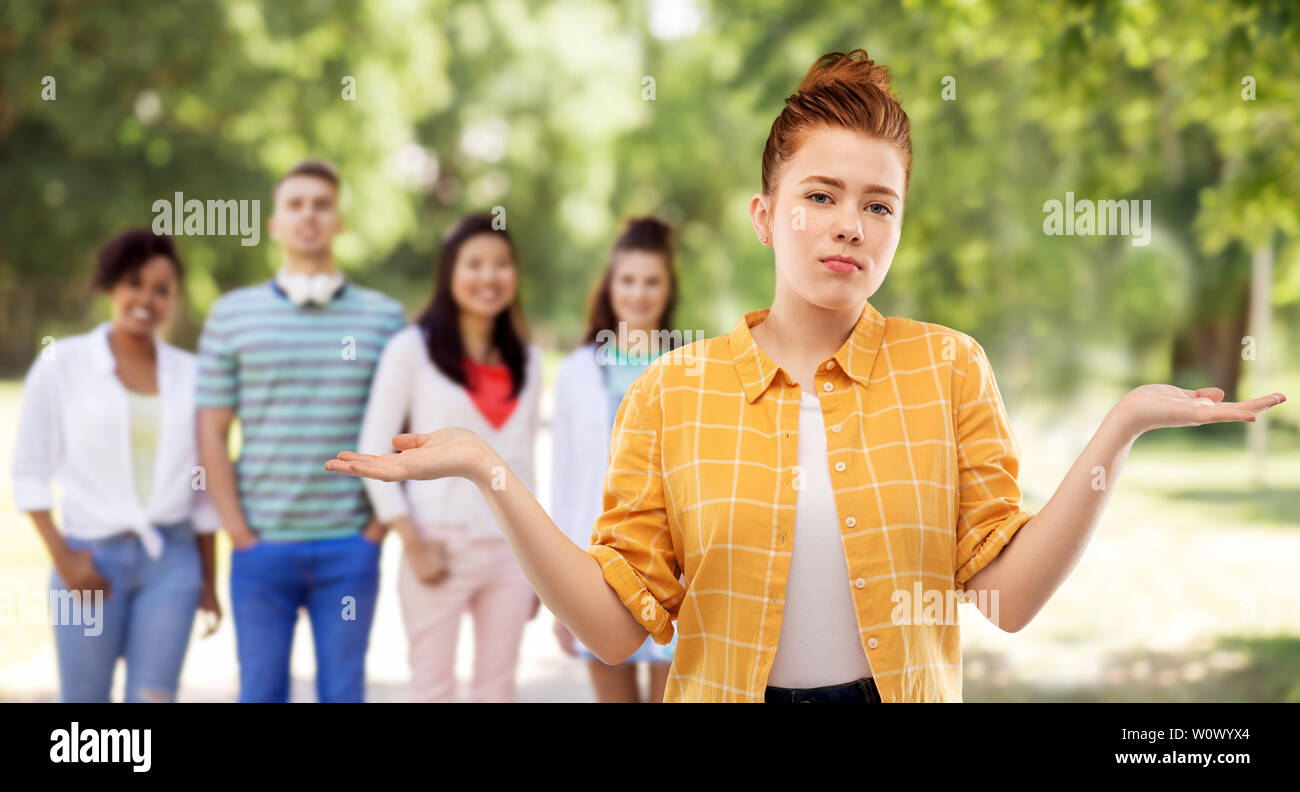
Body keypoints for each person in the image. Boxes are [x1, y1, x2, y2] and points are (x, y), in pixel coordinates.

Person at [325, 50, 1288, 703]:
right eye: (820, 195)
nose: (849, 226)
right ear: (764, 212)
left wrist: (1118, 429)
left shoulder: (952, 368)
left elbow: (1004, 601)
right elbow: (617, 633)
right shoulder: (673, 390)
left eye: (879, 205)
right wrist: (490, 470)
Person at [196, 160, 407, 703]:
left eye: (321, 204)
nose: (308, 215)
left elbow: (406, 432)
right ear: (274, 222)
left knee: (344, 691)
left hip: (350, 546)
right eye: (295, 204)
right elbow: (211, 432)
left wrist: (376, 533)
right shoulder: (231, 315)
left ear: (339, 220)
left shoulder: (385, 319)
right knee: (260, 691)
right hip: (261, 547)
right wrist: (239, 534)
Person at [13, 229, 221, 702]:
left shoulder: (193, 375)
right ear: (111, 285)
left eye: (162, 289)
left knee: (153, 699)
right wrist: (66, 561)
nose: (147, 298)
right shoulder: (62, 365)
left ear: (174, 299)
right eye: (134, 283)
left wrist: (208, 580)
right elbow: (29, 472)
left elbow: (203, 489)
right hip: (90, 558)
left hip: (172, 562)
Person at [357, 212, 542, 703]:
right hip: (437, 544)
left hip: (512, 555)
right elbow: (374, 455)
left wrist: (542, 565)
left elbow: (524, 467)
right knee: (432, 691)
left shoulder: (530, 359)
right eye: (474, 264)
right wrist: (411, 540)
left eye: (501, 264)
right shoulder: (409, 351)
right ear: (449, 273)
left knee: (497, 691)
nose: (489, 276)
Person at [551, 217, 681, 702]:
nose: (639, 293)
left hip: (672, 573)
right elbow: (564, 482)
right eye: (627, 280)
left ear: (668, 290)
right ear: (610, 287)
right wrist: (560, 600)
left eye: (652, 281)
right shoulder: (577, 372)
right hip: (596, 569)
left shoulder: (687, 367)